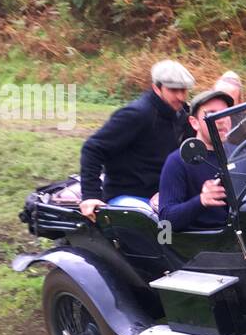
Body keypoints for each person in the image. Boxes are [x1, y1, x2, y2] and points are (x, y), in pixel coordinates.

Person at [78, 59, 196, 219]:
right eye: (174, 90)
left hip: (164, 195)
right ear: (157, 88)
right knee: (158, 228)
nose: (181, 96)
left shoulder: (180, 114)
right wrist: (91, 195)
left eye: (184, 90)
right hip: (129, 195)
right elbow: (92, 148)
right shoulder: (137, 114)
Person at [157, 88, 234, 232]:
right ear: (194, 123)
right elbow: (166, 221)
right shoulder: (177, 161)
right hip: (202, 244)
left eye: (225, 113)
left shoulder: (238, 153)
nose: (222, 119)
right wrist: (201, 201)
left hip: (243, 237)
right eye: (212, 114)